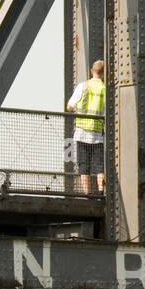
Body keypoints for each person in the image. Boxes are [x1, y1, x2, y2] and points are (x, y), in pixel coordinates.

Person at [66, 60, 105, 194]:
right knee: (100, 165)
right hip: (98, 133)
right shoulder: (105, 89)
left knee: (84, 164)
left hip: (82, 132)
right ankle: (100, 189)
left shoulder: (83, 86)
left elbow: (69, 106)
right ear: (105, 74)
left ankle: (87, 192)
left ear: (91, 71)